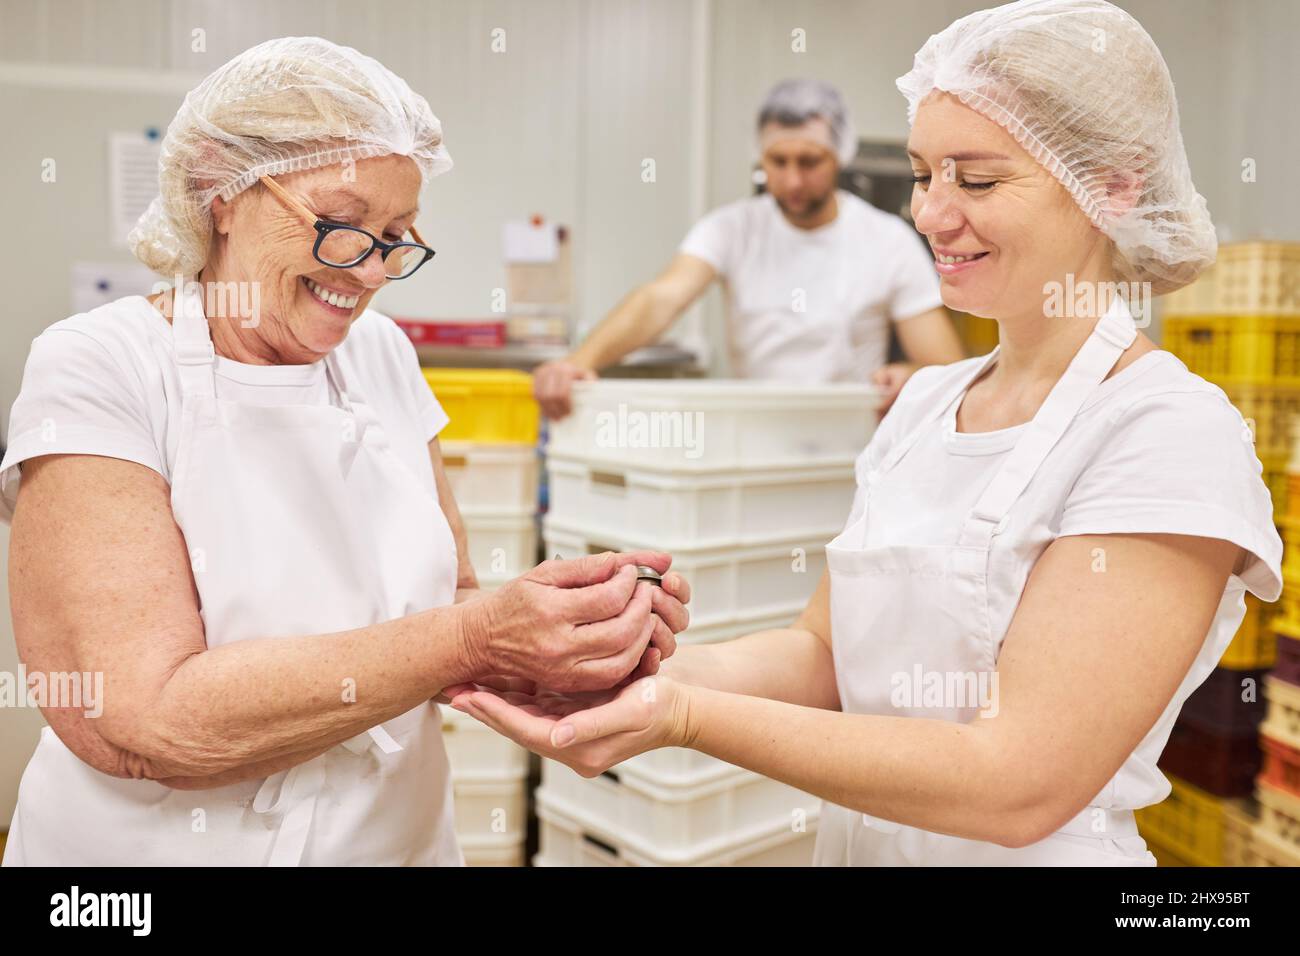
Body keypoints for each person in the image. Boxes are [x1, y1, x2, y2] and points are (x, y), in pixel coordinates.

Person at [447, 0, 1283, 866]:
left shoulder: (1165, 433)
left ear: (1113, 184)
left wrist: (685, 718)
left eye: (980, 181)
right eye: (926, 174)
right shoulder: (926, 406)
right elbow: (822, 653)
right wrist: (624, 676)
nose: (930, 214)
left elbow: (1020, 781)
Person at [0, 36, 689, 866]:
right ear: (220, 189)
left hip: (392, 841)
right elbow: (150, 718)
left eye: (398, 236)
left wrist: (558, 644)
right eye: (344, 227)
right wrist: (473, 641)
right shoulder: (102, 365)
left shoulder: (381, 355)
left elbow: (453, 599)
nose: (368, 272)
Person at [532, 78, 965, 419]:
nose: (793, 180)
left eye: (809, 162)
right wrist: (578, 362)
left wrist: (911, 377)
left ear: (840, 156)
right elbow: (661, 299)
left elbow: (945, 365)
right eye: (778, 162)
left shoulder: (887, 240)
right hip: (756, 438)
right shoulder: (732, 229)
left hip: (853, 447)